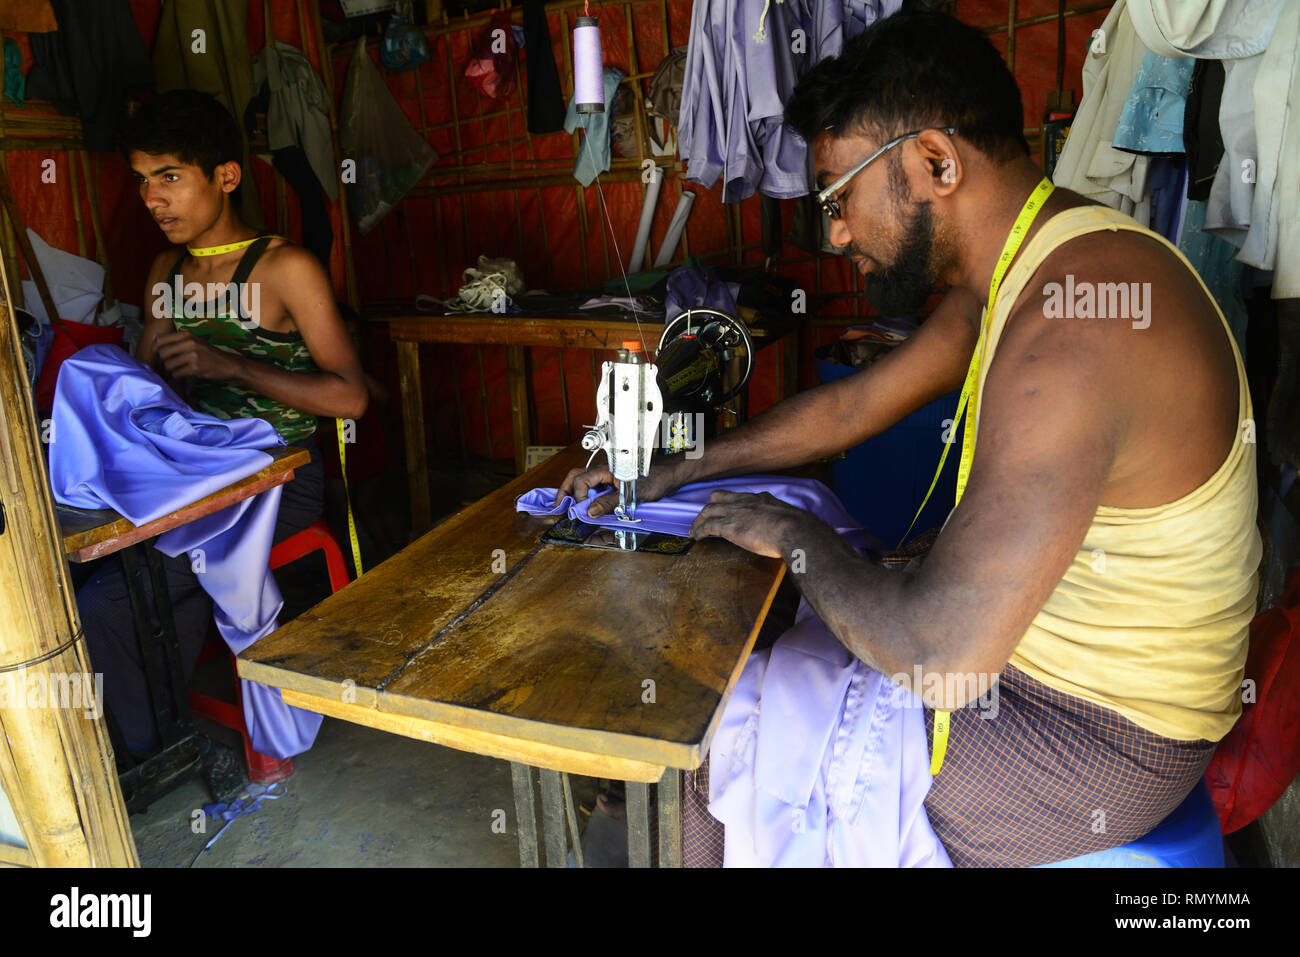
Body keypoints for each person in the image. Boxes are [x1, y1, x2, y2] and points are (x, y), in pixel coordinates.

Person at [558, 10, 1260, 866]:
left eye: (839, 198)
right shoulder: (1030, 267)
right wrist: (685, 467)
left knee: (705, 743)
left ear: (936, 161)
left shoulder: (1074, 327)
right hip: (1051, 685)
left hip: (1095, 740)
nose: (838, 234)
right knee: (788, 657)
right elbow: (854, 409)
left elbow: (938, 649)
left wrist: (791, 534)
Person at [75, 90, 367, 755]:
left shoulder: (285, 268)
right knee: (108, 572)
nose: (153, 199)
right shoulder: (165, 272)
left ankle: (147, 753)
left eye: (170, 177)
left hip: (277, 479)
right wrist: (131, 374)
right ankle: (153, 724)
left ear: (225, 177)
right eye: (144, 182)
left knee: (116, 599)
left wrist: (233, 367)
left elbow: (351, 397)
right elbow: (145, 383)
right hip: (193, 476)